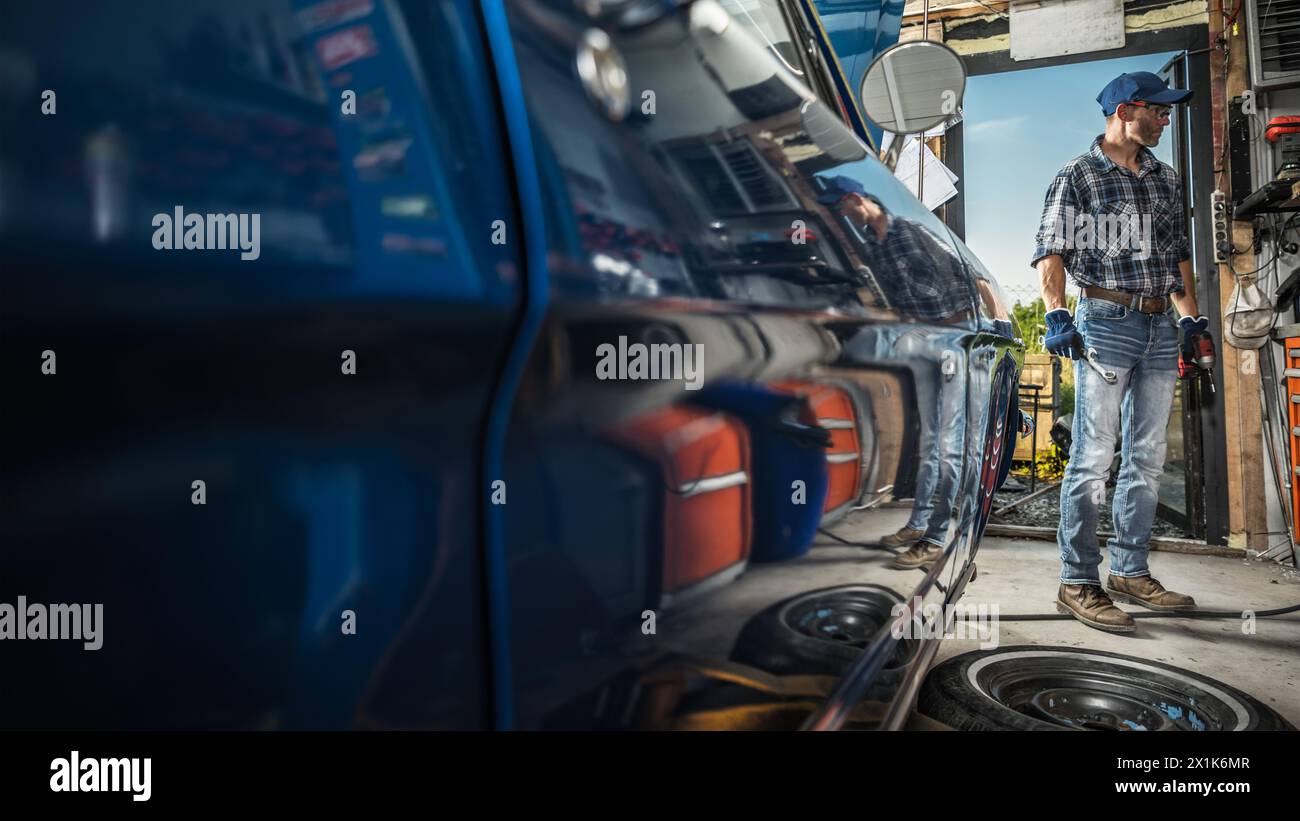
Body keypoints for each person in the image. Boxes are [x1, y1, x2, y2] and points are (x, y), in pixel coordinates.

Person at [1031, 71, 1215, 633]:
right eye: (1158, 110)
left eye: (1166, 112)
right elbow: (1050, 251)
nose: (1165, 118)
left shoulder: (1165, 177)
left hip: (1162, 326)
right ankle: (1077, 580)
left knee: (1148, 455)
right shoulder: (1077, 175)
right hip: (1107, 321)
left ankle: (1130, 571)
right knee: (1092, 458)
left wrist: (1192, 319)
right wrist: (1057, 312)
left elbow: (1177, 254)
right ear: (1125, 110)